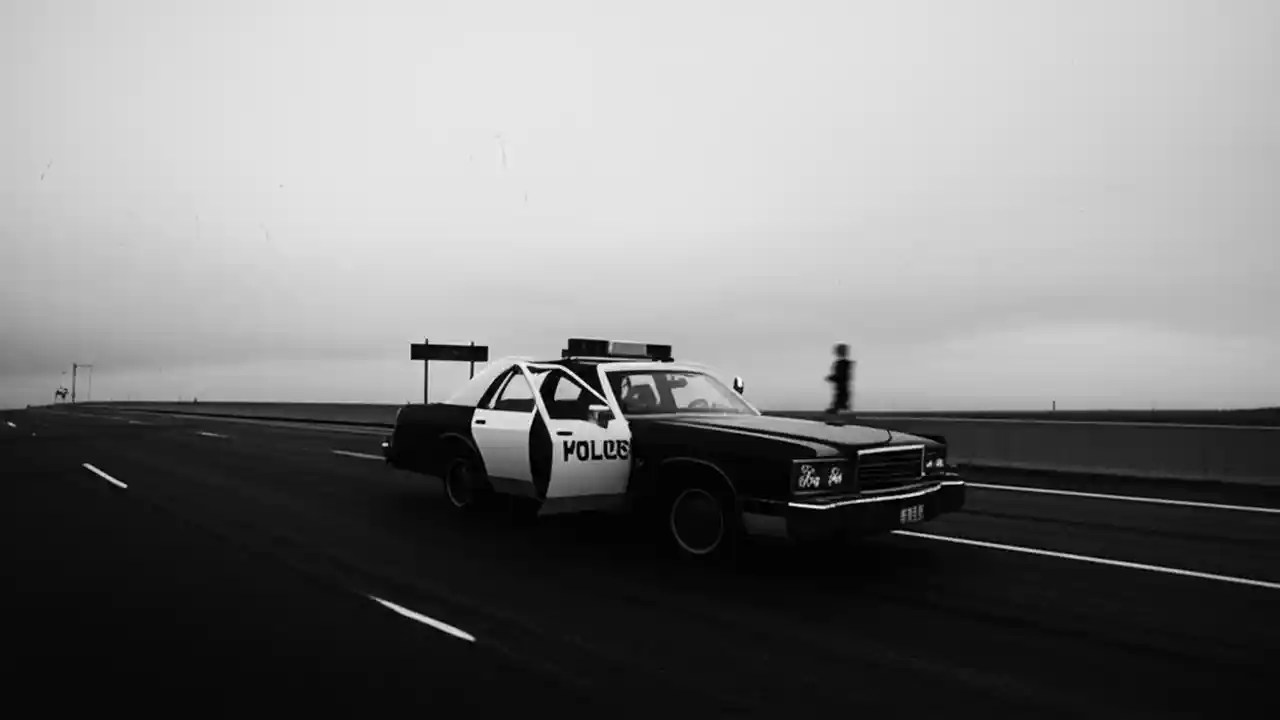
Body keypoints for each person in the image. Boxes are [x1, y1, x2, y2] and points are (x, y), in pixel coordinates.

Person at [826, 343, 852, 414]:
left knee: (840, 402)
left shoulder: (841, 364)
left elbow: (841, 376)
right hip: (842, 388)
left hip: (842, 388)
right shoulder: (845, 363)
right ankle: (841, 413)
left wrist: (831, 378)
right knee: (841, 402)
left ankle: (839, 417)